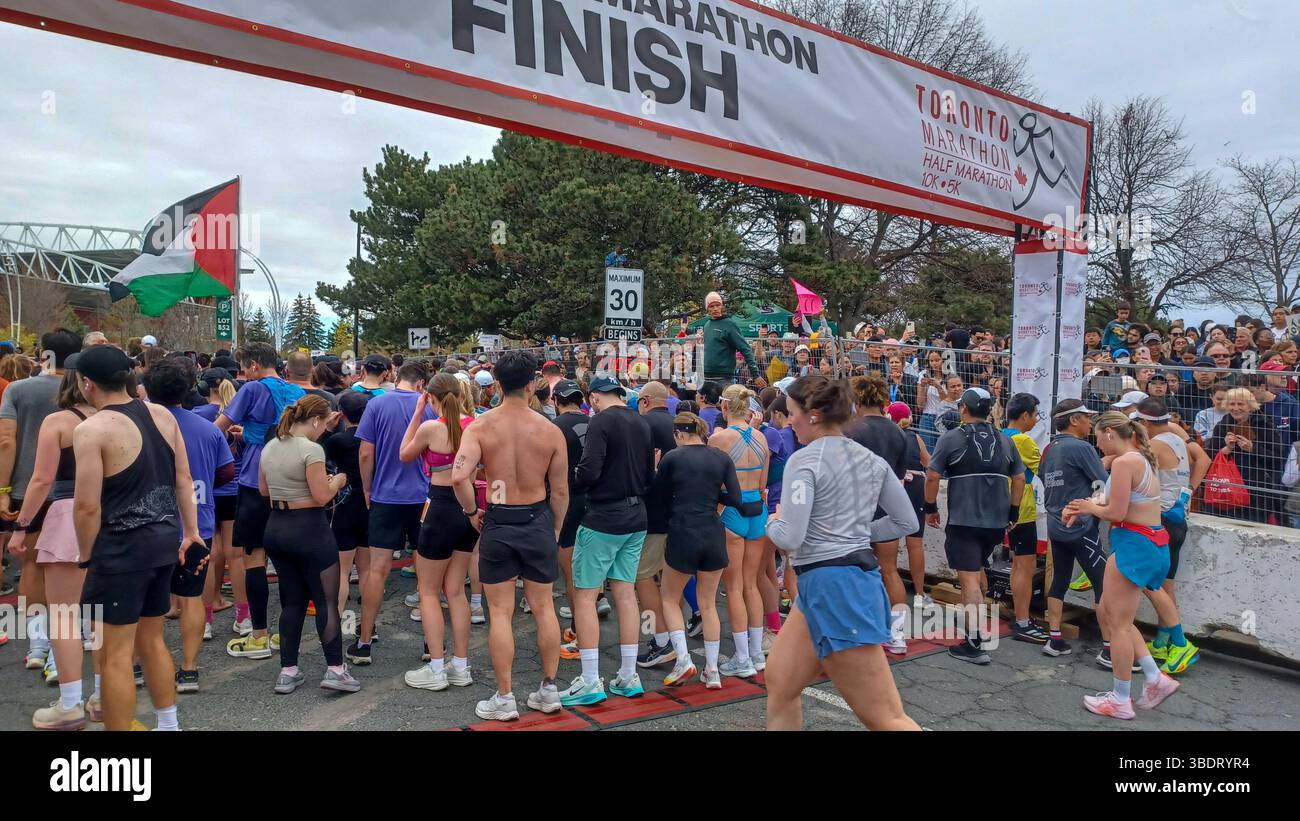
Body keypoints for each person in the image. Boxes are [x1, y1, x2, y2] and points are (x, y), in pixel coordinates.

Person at [765, 375, 920, 731]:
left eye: (792, 414)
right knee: (780, 682)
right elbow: (905, 521)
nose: (790, 422)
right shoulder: (870, 460)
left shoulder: (804, 461)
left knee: (885, 717)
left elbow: (790, 536)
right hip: (830, 583)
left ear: (814, 414)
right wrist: (858, 534)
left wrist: (772, 522)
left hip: (835, 586)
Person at [72, 344, 203, 731]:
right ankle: (168, 724)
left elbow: (87, 507)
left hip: (120, 547)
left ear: (86, 383)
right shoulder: (162, 415)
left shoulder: (91, 429)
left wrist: (85, 554)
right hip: (164, 539)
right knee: (153, 640)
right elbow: (183, 478)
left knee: (115, 653)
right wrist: (191, 532)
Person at [451, 350, 568, 722]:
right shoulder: (550, 430)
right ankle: (549, 689)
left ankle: (505, 697)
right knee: (544, 606)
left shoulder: (481, 427)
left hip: (500, 520)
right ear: (532, 384)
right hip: (536, 518)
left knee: (499, 612)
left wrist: (472, 513)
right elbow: (561, 490)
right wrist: (555, 527)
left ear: (496, 385)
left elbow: (458, 477)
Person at [1063, 412, 1180, 719]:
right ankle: (1154, 679)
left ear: (1110, 434)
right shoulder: (1137, 459)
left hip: (1136, 544)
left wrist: (1088, 507)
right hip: (1143, 543)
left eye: (1098, 436)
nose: (1096, 441)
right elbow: (1113, 500)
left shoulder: (1126, 462)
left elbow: (1116, 511)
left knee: (1118, 625)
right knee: (1110, 613)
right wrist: (1084, 506)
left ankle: (1121, 698)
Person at [9, 357, 95, 728]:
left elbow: (41, 480)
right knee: (103, 612)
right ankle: (103, 693)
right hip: (113, 514)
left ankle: (66, 691)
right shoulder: (121, 419)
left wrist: (21, 525)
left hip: (64, 513)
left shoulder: (59, 422)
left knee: (64, 611)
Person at [143, 357, 236, 695]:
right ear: (187, 390)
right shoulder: (208, 428)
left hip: (148, 522)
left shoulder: (138, 424)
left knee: (147, 598)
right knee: (192, 597)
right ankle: (189, 669)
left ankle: (142, 665)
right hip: (198, 521)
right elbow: (227, 472)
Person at [561, 374, 655, 705]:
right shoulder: (640, 422)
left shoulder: (600, 421)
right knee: (626, 594)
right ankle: (628, 674)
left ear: (597, 397)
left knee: (585, 597)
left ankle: (589, 680)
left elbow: (589, 470)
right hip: (636, 514)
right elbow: (649, 472)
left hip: (603, 516)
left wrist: (571, 478)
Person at [258, 394, 358, 694]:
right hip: (310, 529)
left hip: (276, 527)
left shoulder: (271, 445)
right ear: (315, 420)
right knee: (326, 600)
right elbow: (322, 496)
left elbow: (263, 489)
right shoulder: (311, 450)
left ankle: (288, 670)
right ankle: (336, 669)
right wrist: (338, 480)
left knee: (291, 601)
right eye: (325, 424)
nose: (324, 430)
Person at [0, 327, 81, 675]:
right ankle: (61, 651)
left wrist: (3, 490)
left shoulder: (19, 389)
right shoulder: (85, 394)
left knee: (32, 566)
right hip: (75, 492)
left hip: (25, 490)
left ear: (43, 353)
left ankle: (37, 643)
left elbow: (6, 440)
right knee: (72, 570)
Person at [924, 387, 1024, 664]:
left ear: (963, 409)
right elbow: (1019, 479)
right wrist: (1013, 512)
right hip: (996, 521)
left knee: (968, 580)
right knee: (978, 570)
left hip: (964, 519)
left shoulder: (951, 437)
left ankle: (975, 642)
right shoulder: (1005, 440)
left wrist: (930, 507)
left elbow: (932, 476)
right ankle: (976, 620)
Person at [218, 342, 305, 660]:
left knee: (253, 559)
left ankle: (258, 635)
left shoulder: (252, 389)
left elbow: (220, 428)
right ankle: (286, 633)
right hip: (290, 482)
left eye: (244, 368)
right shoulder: (296, 392)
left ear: (254, 365)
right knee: (285, 562)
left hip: (255, 481)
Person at [651, 413, 743, 688]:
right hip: (713, 531)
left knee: (669, 597)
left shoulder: (672, 458)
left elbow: (659, 496)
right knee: (708, 603)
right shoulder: (720, 457)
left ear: (679, 434)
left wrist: (657, 471)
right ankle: (712, 670)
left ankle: (683, 660)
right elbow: (735, 498)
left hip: (683, 530)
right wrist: (712, 494)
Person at [349, 360, 432, 664]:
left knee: (376, 570)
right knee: (427, 575)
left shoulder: (377, 405)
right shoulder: (429, 407)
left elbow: (366, 452)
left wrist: (369, 489)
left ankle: (365, 640)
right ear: (422, 383)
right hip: (422, 498)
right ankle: (430, 643)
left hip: (386, 496)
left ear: (397, 377)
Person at [399, 373, 477, 692]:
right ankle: (460, 665)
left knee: (429, 591)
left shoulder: (432, 428)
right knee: (456, 591)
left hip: (440, 507)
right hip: (467, 508)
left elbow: (405, 454)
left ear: (430, 397)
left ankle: (435, 668)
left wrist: (418, 414)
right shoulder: (475, 425)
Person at [1133, 397, 1210, 675]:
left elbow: (1140, 480)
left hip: (1161, 519)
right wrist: (1188, 490)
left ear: (1143, 422)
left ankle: (1179, 644)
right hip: (1178, 517)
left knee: (1150, 584)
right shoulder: (1177, 432)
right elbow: (1205, 458)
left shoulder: (1152, 445)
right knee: (1166, 588)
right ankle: (1164, 642)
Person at [845, 373, 911, 654]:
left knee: (852, 573)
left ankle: (859, 630)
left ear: (856, 400)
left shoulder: (850, 430)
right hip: (886, 505)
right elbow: (898, 474)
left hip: (854, 509)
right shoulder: (898, 431)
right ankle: (897, 635)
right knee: (890, 570)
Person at [709, 383, 771, 678]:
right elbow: (762, 486)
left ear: (724, 406)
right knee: (751, 585)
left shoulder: (718, 438)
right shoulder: (761, 437)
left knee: (733, 587)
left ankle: (743, 658)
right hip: (757, 512)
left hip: (731, 510)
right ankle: (756, 653)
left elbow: (712, 483)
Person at [634, 380, 678, 668]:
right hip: (683, 513)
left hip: (652, 513)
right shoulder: (683, 424)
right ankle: (674, 636)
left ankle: (660, 640)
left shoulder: (643, 426)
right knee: (671, 584)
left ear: (646, 401)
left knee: (642, 577)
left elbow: (640, 472)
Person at [1000, 393, 1050, 644]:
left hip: (1000, 504)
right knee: (1024, 566)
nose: (1035, 420)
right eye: (1035, 414)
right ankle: (1022, 620)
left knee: (1016, 564)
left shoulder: (999, 435)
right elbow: (1043, 468)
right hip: (1023, 508)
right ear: (1025, 415)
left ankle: (1020, 615)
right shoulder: (1024, 441)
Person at [1205, 388, 1284, 524]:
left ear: (1250, 406)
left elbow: (1278, 456)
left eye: (1240, 404)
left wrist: (1253, 448)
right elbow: (1211, 457)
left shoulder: (1264, 424)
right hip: (1228, 489)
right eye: (1232, 404)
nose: (1236, 408)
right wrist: (1227, 449)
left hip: (1257, 492)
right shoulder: (1222, 426)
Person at [551, 379, 589, 647]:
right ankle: (586, 621)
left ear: (555, 401)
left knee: (572, 571)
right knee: (590, 569)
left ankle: (579, 630)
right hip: (598, 501)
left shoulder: (554, 428)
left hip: (570, 501)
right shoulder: (597, 423)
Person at [886, 401, 930, 608]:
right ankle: (920, 594)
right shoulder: (915, 436)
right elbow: (929, 461)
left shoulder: (888, 436)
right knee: (915, 543)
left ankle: (888, 590)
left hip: (893, 486)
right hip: (916, 487)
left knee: (889, 544)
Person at [701, 291, 763, 386]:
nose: (715, 308)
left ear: (722, 306)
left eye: (718, 305)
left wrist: (755, 374)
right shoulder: (707, 325)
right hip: (705, 375)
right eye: (711, 306)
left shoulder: (729, 324)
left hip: (723, 377)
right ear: (707, 309)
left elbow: (745, 348)